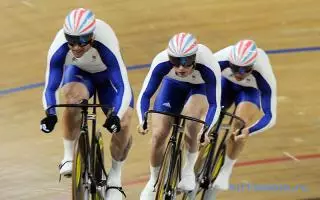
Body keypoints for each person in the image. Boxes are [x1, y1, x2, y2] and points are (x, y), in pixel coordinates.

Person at [39, 8, 133, 199]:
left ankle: (115, 178)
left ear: (92, 37)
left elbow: (122, 85)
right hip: (80, 74)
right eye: (71, 40)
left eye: (82, 41)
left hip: (108, 76)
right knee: (72, 99)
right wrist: (50, 114)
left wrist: (116, 115)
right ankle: (68, 156)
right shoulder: (58, 47)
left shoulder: (106, 42)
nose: (76, 47)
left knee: (123, 122)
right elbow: (50, 87)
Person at [136, 32, 222, 200]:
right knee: (158, 135)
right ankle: (153, 181)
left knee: (193, 123)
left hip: (199, 88)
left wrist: (206, 130)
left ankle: (188, 170)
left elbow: (215, 104)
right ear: (169, 58)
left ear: (194, 58)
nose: (181, 67)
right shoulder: (161, 62)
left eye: (186, 62)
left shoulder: (209, 65)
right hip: (173, 86)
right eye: (176, 61)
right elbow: (145, 94)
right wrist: (143, 119)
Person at [207, 39, 277, 194]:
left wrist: (249, 131)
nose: (239, 74)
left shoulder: (263, 71)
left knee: (240, 125)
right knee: (206, 112)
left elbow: (270, 116)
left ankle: (226, 170)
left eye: (244, 70)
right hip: (225, 84)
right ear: (230, 62)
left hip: (250, 92)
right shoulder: (220, 58)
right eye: (235, 68)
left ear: (252, 66)